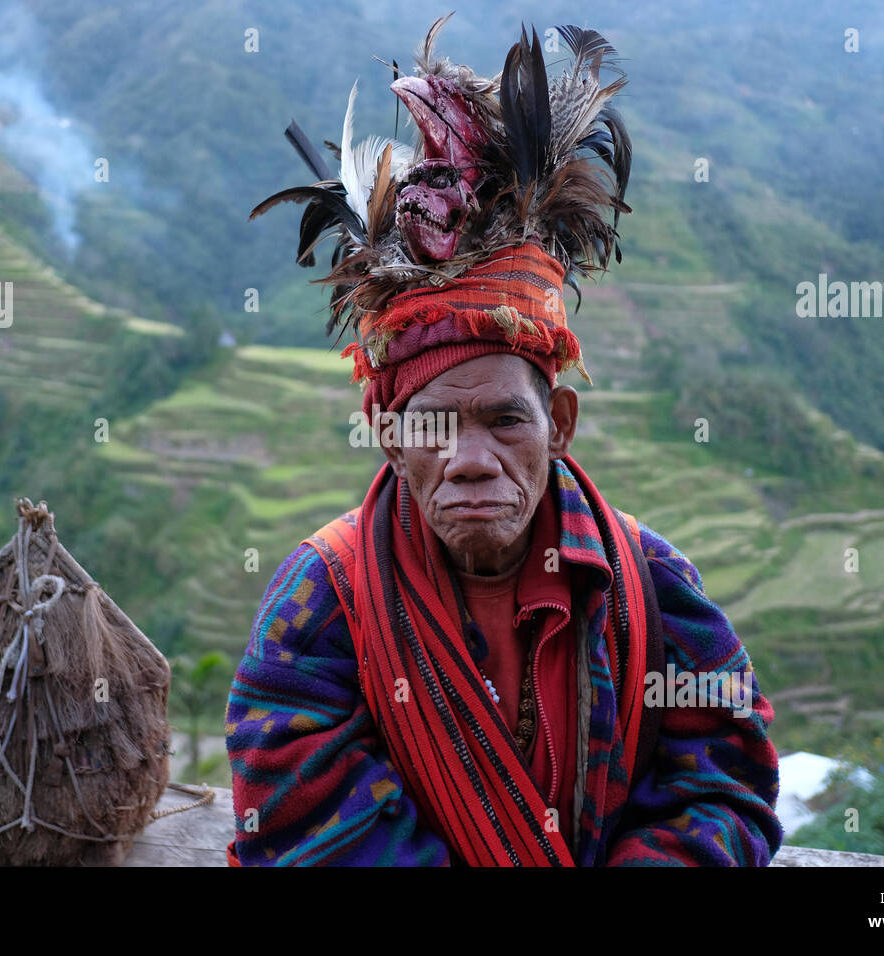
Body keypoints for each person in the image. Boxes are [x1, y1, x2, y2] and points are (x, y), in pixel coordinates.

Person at [225, 19, 782, 866]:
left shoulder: (650, 586)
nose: (471, 457)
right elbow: (302, 813)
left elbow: (724, 778)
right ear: (386, 434)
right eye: (434, 425)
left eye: (507, 419)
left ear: (558, 426)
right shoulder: (323, 601)